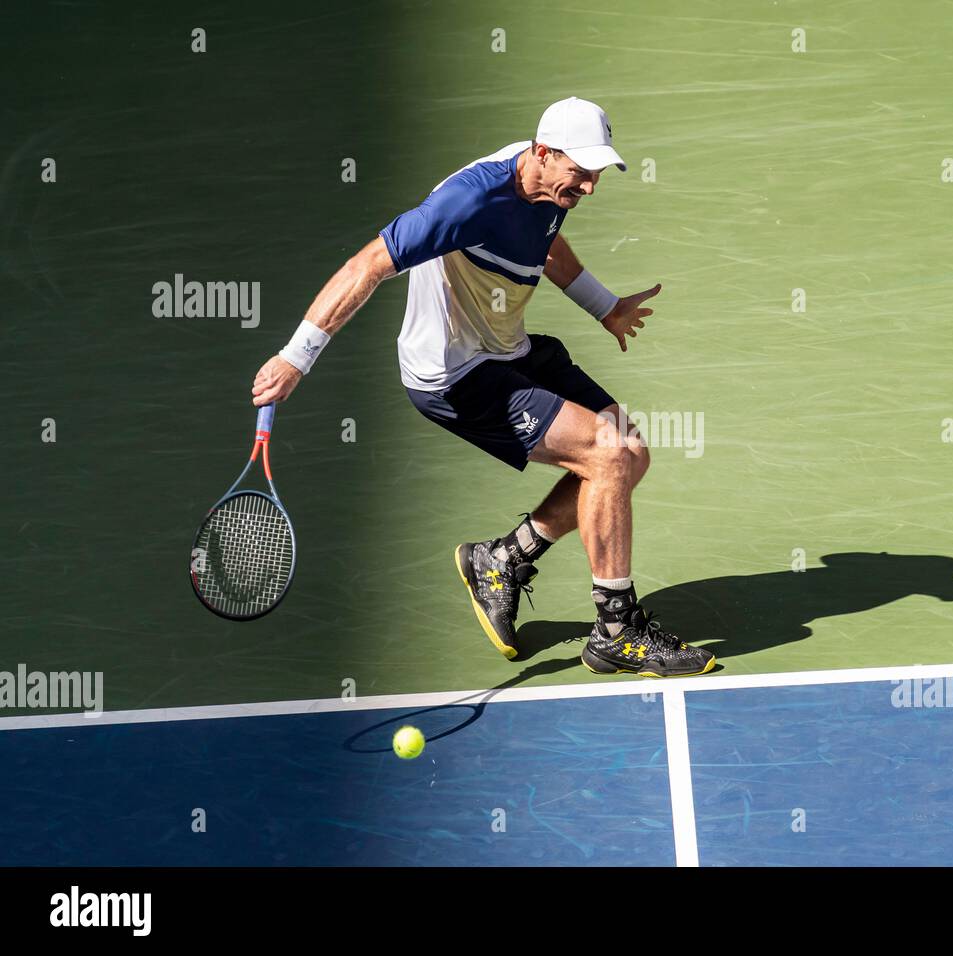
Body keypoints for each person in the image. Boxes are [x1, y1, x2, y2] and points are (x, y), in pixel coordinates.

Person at [250, 97, 716, 678]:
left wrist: (605, 307)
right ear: (543, 153)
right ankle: (616, 630)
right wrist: (296, 358)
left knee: (630, 455)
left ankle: (501, 560)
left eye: (597, 173)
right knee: (608, 452)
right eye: (581, 172)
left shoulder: (548, 185)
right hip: (454, 374)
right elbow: (366, 265)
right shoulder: (465, 202)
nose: (590, 187)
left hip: (506, 348)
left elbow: (543, 243)